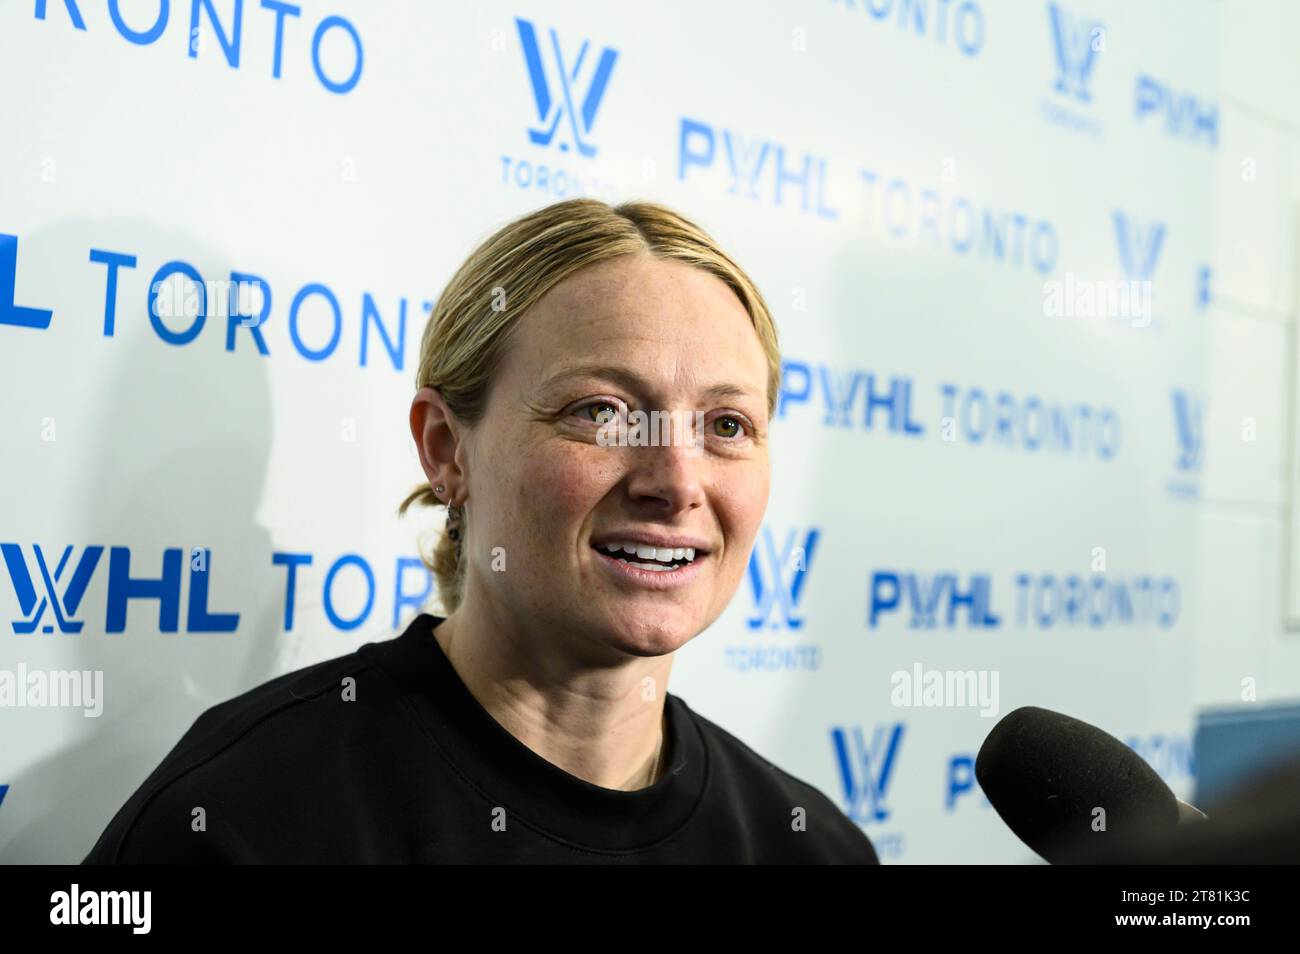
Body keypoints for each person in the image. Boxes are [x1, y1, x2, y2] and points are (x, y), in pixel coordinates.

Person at [83, 198, 879, 864]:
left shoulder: (811, 849)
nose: (675, 482)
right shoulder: (241, 819)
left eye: (727, 424)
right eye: (600, 412)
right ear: (446, 450)